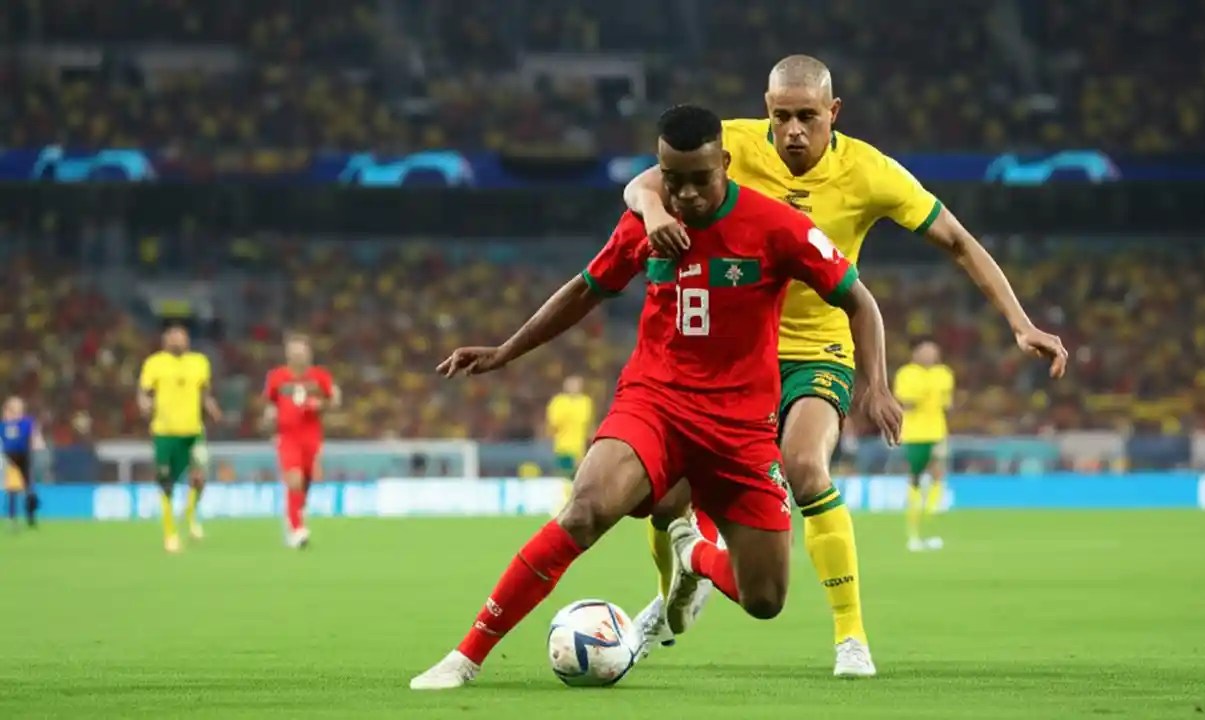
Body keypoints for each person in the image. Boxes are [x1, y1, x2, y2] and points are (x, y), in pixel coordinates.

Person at [409, 104, 902, 691]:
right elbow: (585, 290)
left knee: (764, 598)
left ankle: (692, 553)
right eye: (673, 179)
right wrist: (505, 351)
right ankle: (465, 656)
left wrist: (875, 384)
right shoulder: (647, 224)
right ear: (658, 171)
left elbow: (860, 301)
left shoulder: (778, 229)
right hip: (656, 405)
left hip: (742, 430)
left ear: (725, 163)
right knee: (585, 510)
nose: (687, 194)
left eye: (700, 178)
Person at [623, 54, 1069, 676]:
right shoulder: (733, 146)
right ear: (766, 112)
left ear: (834, 113)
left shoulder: (870, 172)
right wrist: (655, 212)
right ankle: (680, 584)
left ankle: (850, 638)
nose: (794, 130)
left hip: (818, 349)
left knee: (804, 466)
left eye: (808, 116)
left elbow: (959, 241)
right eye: (781, 116)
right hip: (731, 354)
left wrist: (1020, 323)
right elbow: (644, 182)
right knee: (668, 495)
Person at [137, 323, 222, 553]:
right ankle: (170, 533)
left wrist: (211, 406)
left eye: (181, 335)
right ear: (165, 340)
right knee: (166, 483)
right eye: (173, 335)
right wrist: (144, 404)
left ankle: (190, 515)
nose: (178, 339)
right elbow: (143, 392)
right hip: (164, 432)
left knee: (199, 476)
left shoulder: (199, 362)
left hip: (194, 431)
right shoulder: (154, 363)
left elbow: (205, 393)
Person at [263, 333, 339, 549]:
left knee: (306, 481)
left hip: (312, 436)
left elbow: (334, 400)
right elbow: (270, 404)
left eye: (301, 351)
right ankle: (297, 529)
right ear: (287, 354)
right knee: (294, 479)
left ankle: (294, 514)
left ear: (309, 353)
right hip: (288, 436)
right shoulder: (277, 377)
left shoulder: (319, 377)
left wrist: (320, 405)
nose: (298, 356)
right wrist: (269, 422)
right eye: (293, 352)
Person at [894, 340, 954, 551]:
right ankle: (915, 517)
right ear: (915, 354)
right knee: (916, 475)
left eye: (933, 351)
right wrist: (925, 393)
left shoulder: (944, 373)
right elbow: (906, 402)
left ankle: (933, 507)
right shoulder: (906, 374)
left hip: (937, 430)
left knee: (939, 467)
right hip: (915, 434)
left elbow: (947, 403)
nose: (929, 355)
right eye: (925, 351)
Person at [2, 397, 44, 529]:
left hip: (24, 458)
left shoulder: (26, 423)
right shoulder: (3, 426)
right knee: (12, 489)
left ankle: (30, 515)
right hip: (10, 460)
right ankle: (12, 518)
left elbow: (35, 435)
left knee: (30, 490)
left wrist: (38, 442)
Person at [545, 375, 594, 479]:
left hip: (580, 449)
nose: (574, 387)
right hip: (563, 448)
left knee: (578, 478)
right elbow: (553, 425)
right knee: (564, 477)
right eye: (571, 384)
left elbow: (588, 426)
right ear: (565, 386)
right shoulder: (558, 402)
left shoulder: (585, 402)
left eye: (576, 384)